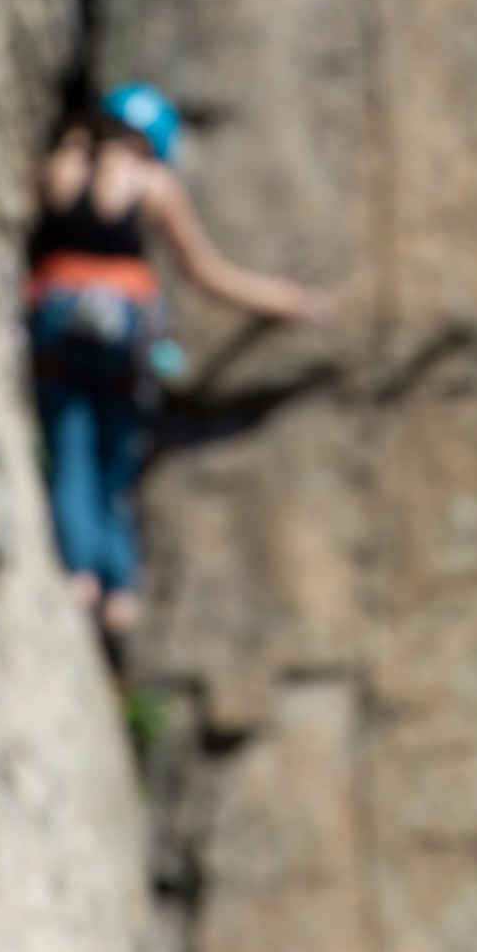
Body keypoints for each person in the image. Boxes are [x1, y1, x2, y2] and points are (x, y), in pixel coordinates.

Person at [25, 81, 325, 645]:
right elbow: (205, 274)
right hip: (121, 323)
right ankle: (120, 592)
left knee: (70, 444)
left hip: (58, 317)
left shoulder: (61, 166)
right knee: (115, 462)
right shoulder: (153, 183)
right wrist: (285, 301)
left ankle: (79, 575)